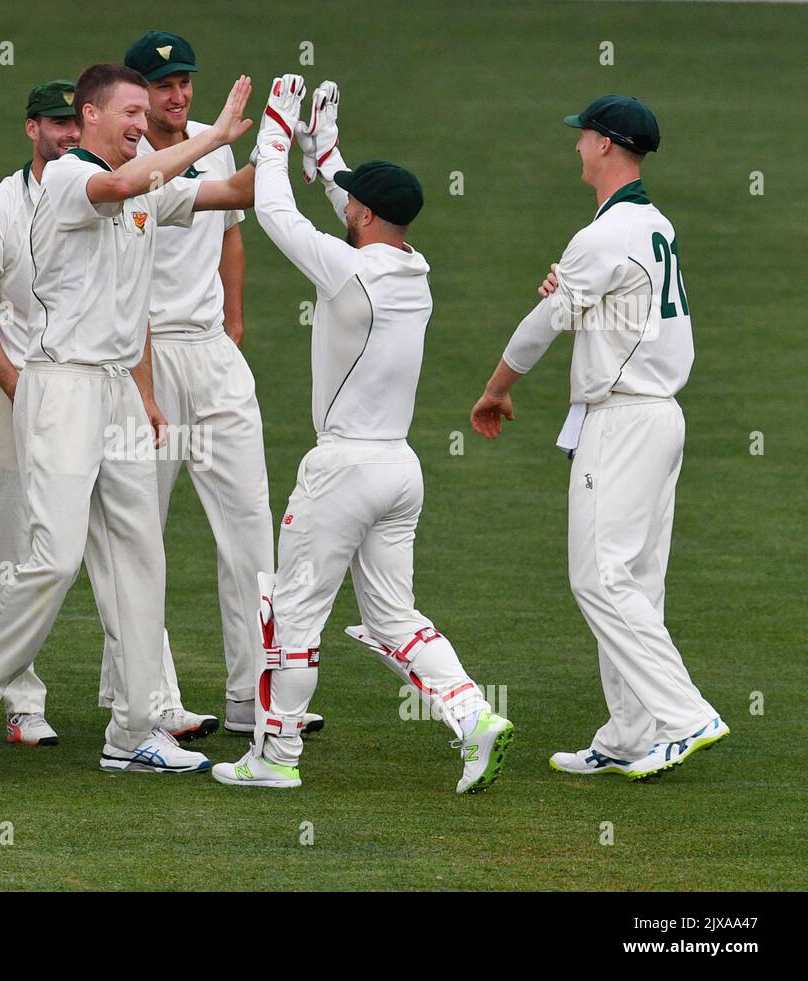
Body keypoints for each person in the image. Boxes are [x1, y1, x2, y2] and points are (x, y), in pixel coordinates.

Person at [0, 65, 255, 773]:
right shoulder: (68, 177)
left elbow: (234, 193)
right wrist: (207, 136)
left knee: (141, 554)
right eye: (128, 112)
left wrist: (285, 145)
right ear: (87, 116)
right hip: (59, 384)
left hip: (119, 388)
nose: (141, 124)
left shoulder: (148, 183)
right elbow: (118, 187)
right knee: (53, 557)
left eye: (146, 114)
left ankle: (134, 730)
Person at [212, 76, 513, 793]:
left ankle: (274, 759)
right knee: (391, 615)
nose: (346, 205)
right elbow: (349, 206)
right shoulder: (415, 268)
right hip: (399, 470)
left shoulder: (347, 270)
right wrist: (330, 154)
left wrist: (279, 131)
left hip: (342, 469)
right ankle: (474, 716)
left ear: (368, 215)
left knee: (291, 615)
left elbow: (273, 206)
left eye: (352, 201)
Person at [469, 95, 728, 781]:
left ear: (606, 144)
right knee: (636, 580)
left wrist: (496, 389)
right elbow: (604, 306)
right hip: (659, 416)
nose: (576, 146)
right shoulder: (650, 224)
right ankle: (629, 733)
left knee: (598, 577)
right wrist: (574, 292)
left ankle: (685, 716)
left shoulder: (602, 237)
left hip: (622, 422)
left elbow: (540, 326)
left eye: (583, 136)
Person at [109, 30, 298, 739]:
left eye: (184, 82)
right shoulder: (120, 163)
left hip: (212, 352)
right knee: (140, 535)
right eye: (163, 86)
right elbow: (223, 189)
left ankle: (258, 697)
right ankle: (147, 699)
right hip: (142, 358)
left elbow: (230, 229)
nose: (177, 95)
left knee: (250, 528)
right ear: (135, 94)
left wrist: (235, 324)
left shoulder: (211, 145)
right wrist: (276, 143)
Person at [0, 80, 80, 749]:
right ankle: (16, 698)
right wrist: (11, 385)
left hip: (94, 394)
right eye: (56, 124)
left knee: (121, 544)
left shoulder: (111, 196)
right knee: (18, 543)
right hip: (20, 393)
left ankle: (147, 702)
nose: (68, 135)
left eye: (75, 122)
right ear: (32, 128)